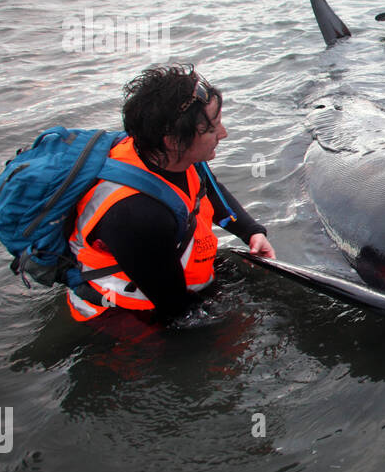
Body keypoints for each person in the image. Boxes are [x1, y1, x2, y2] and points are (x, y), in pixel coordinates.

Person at [66, 65, 275, 322]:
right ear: (174, 141)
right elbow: (175, 309)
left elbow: (208, 189)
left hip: (168, 274)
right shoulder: (135, 214)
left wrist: (250, 231)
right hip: (128, 318)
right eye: (212, 129)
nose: (223, 134)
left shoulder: (175, 156)